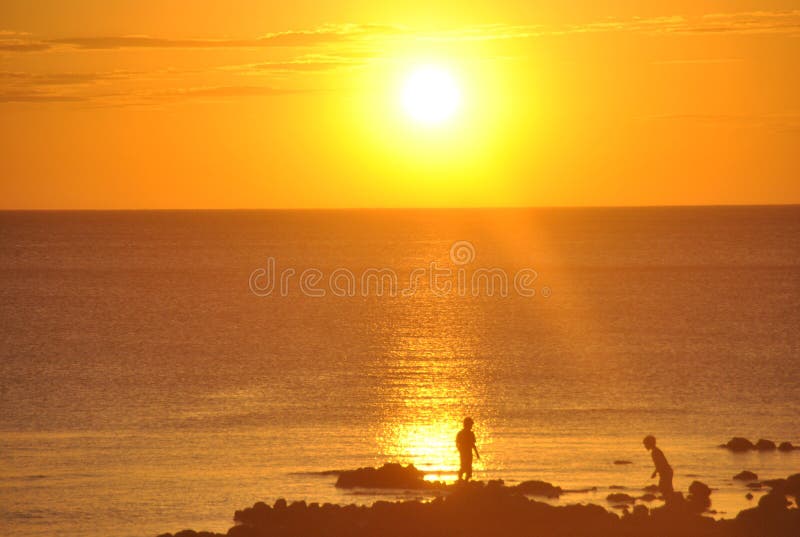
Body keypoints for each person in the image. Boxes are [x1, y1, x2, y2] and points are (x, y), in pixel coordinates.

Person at [643, 435, 673, 500]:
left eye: (645, 444)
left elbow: (660, 464)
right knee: (666, 489)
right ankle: (670, 504)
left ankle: (670, 505)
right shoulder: (656, 451)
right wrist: (655, 472)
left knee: (665, 489)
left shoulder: (655, 452)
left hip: (666, 472)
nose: (645, 446)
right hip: (666, 472)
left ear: (649, 444)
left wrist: (655, 473)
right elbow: (659, 464)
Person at [456, 417, 480, 481]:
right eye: (470, 425)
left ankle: (464, 481)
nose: (471, 426)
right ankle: (461, 480)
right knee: (464, 467)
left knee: (468, 468)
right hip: (464, 453)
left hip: (468, 453)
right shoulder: (461, 433)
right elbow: (457, 443)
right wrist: (460, 450)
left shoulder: (470, 433)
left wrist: (477, 453)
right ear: (467, 424)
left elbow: (473, 444)